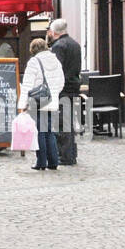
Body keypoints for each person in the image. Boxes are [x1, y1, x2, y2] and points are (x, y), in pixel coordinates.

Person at [17, 37, 65, 171]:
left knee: (39, 132)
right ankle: (53, 161)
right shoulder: (55, 60)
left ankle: (41, 161)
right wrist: (54, 93)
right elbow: (61, 81)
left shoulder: (34, 62)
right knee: (49, 131)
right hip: (51, 100)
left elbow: (27, 85)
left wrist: (22, 104)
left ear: (33, 50)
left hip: (37, 101)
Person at [48, 19, 83, 166]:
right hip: (74, 87)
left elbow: (57, 69)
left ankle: (66, 156)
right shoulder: (75, 44)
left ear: (54, 32)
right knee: (69, 121)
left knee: (62, 123)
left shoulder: (58, 46)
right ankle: (71, 154)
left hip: (62, 90)